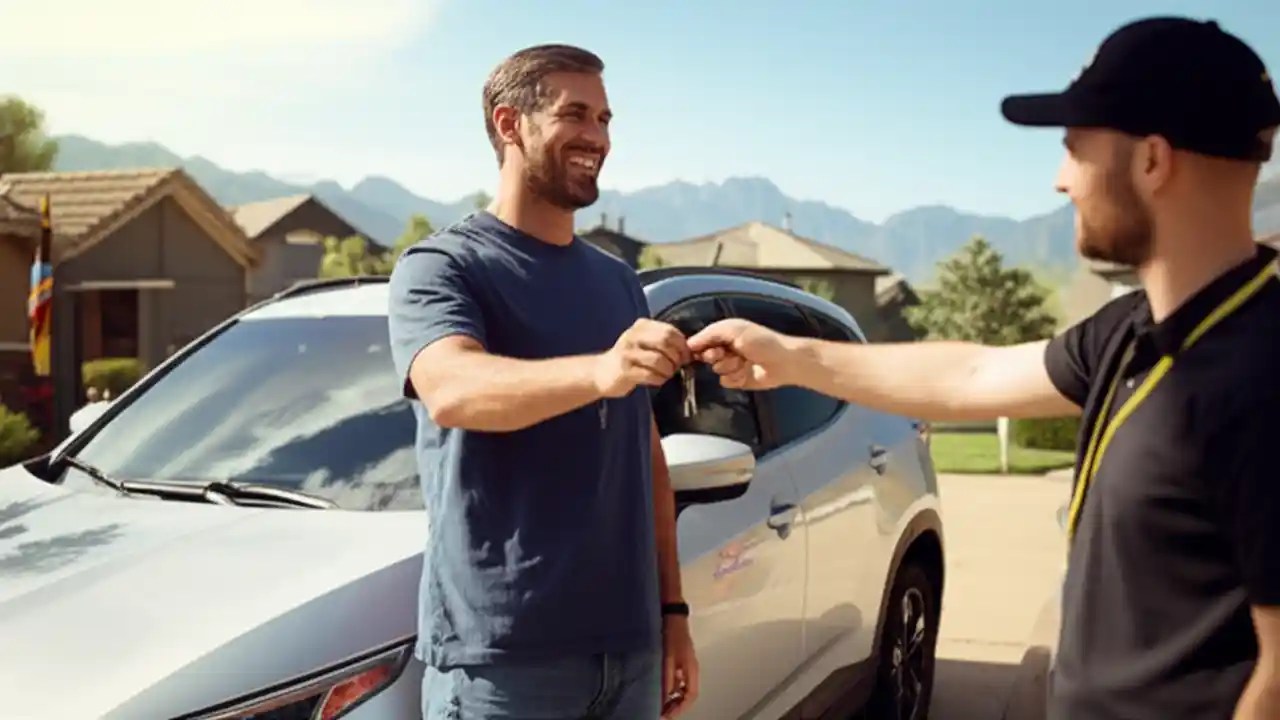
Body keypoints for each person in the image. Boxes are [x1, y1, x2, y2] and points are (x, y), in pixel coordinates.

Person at [687, 16, 1280, 720]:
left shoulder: (1258, 374)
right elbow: (972, 377)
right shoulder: (1131, 333)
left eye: (1073, 150)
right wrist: (792, 357)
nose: (1061, 183)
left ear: (1153, 161)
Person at [387, 44, 699, 719]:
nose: (598, 137)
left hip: (631, 649)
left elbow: (644, 458)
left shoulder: (618, 281)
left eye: (606, 120)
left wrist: (672, 612)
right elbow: (453, 389)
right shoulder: (441, 267)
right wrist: (602, 370)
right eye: (575, 114)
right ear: (509, 124)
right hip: (504, 663)